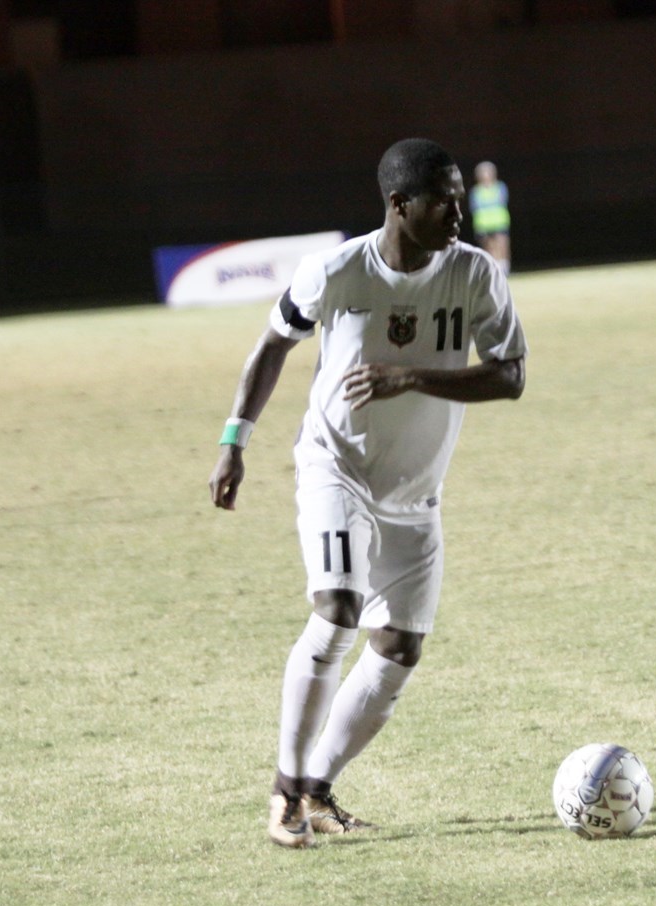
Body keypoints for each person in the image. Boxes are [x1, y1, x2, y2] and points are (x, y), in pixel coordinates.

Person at [208, 138, 528, 848]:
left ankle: (318, 787)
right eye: (442, 199)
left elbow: (511, 375)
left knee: (400, 646)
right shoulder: (337, 270)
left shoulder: (475, 276)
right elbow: (271, 345)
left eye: (456, 197)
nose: (457, 212)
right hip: (336, 466)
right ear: (398, 203)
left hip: (415, 490)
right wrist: (235, 439)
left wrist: (414, 376)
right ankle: (285, 791)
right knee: (338, 610)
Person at [470, 161, 511, 274]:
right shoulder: (476, 191)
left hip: (499, 223)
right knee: (489, 249)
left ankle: (504, 270)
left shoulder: (500, 187)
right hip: (484, 225)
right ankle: (493, 271)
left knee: (502, 247)